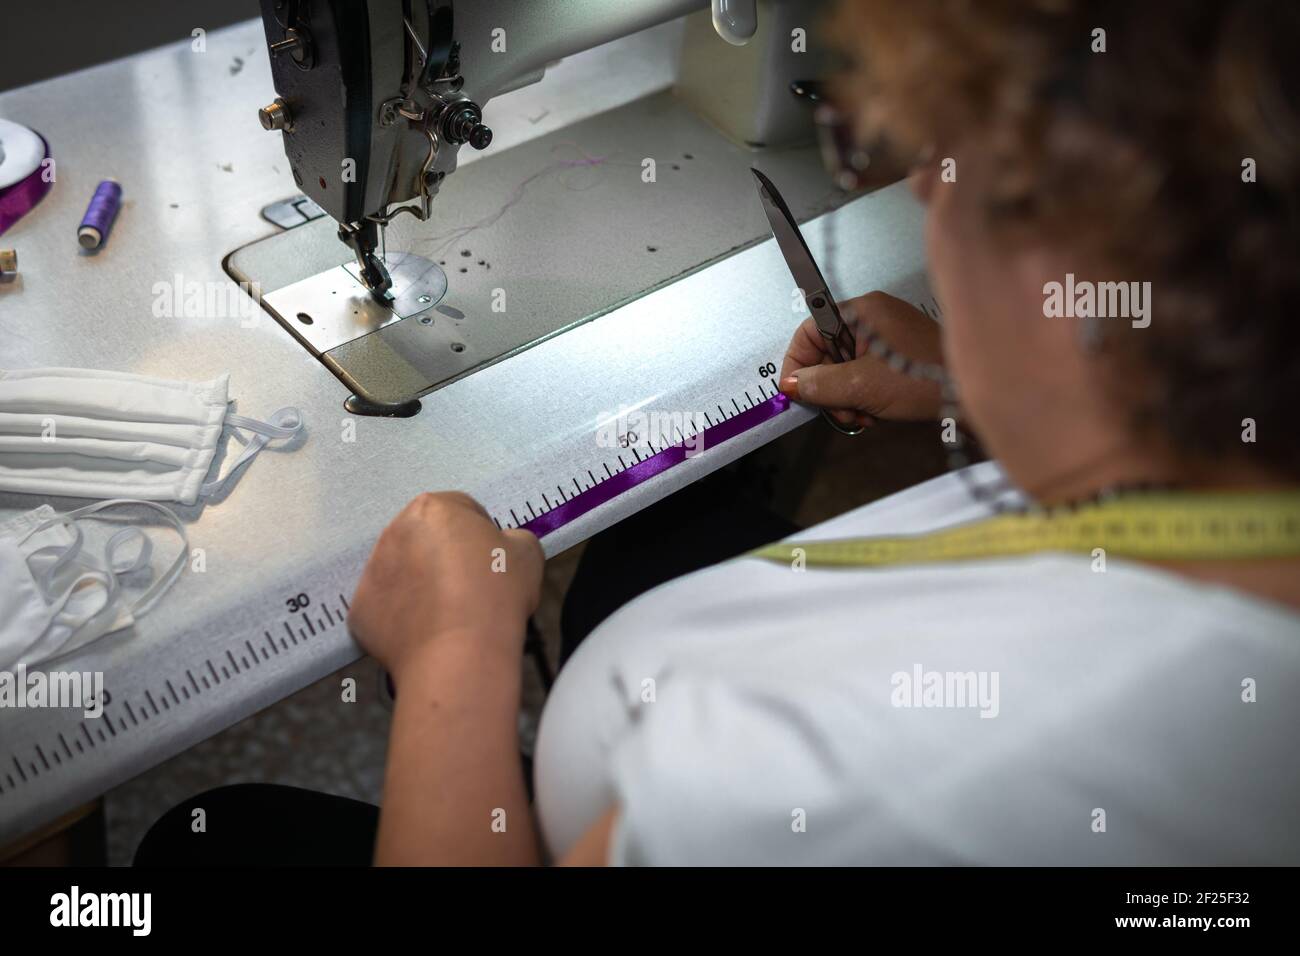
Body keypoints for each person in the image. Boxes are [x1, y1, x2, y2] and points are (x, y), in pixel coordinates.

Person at [139, 0, 1300, 866]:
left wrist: (455, 652)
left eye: (922, 164)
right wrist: (979, 390)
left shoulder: (898, 781)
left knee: (208, 835)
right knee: (664, 528)